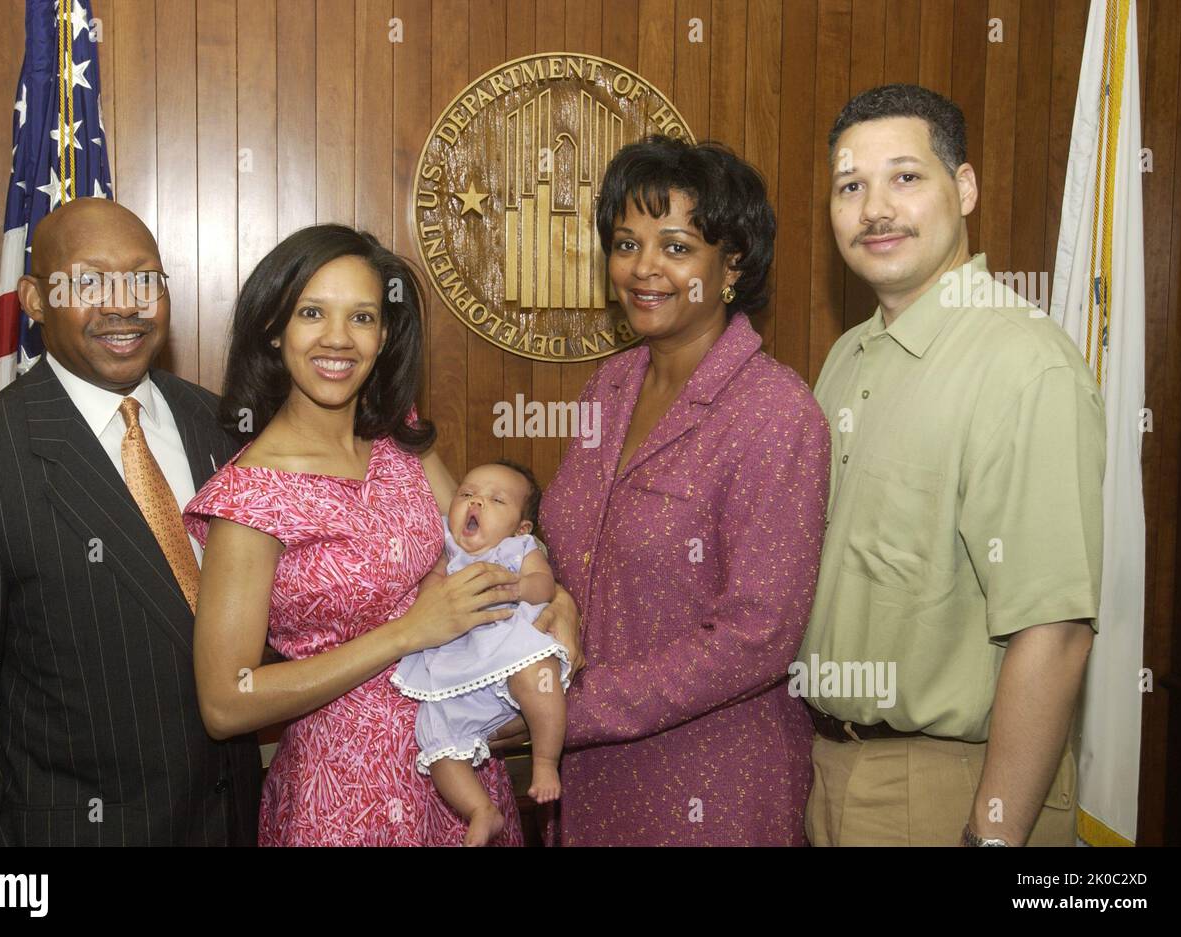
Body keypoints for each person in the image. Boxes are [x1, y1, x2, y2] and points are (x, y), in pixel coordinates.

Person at [183, 224, 581, 846]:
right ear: (273, 328)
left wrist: (558, 602)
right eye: (311, 312)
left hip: (457, 771)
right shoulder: (250, 497)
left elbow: (484, 552)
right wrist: (407, 633)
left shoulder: (400, 435)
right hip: (343, 795)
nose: (337, 339)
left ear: (385, 334)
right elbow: (225, 702)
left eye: (362, 316)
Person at [0, 197, 261, 845]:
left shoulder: (224, 430)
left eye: (145, 279)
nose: (124, 304)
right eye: (88, 281)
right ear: (35, 299)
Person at [800, 84, 1105, 846]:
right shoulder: (845, 356)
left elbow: (1056, 630)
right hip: (834, 774)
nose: (875, 209)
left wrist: (990, 836)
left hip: (954, 789)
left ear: (963, 188)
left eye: (905, 177)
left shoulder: (1024, 365)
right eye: (850, 186)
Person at [529, 136, 830, 845]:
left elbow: (758, 635)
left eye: (675, 245)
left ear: (732, 265)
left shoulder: (775, 411)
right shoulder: (608, 387)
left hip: (712, 784)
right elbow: (574, 555)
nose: (644, 268)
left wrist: (573, 705)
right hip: (585, 780)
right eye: (627, 243)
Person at [392, 460, 570, 846]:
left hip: (508, 644)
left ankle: (544, 761)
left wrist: (519, 590)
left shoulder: (517, 547)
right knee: (435, 736)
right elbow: (432, 589)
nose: (477, 503)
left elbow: (544, 585)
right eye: (467, 493)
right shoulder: (447, 546)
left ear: (522, 526)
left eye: (496, 499)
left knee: (539, 677)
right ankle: (480, 810)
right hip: (458, 661)